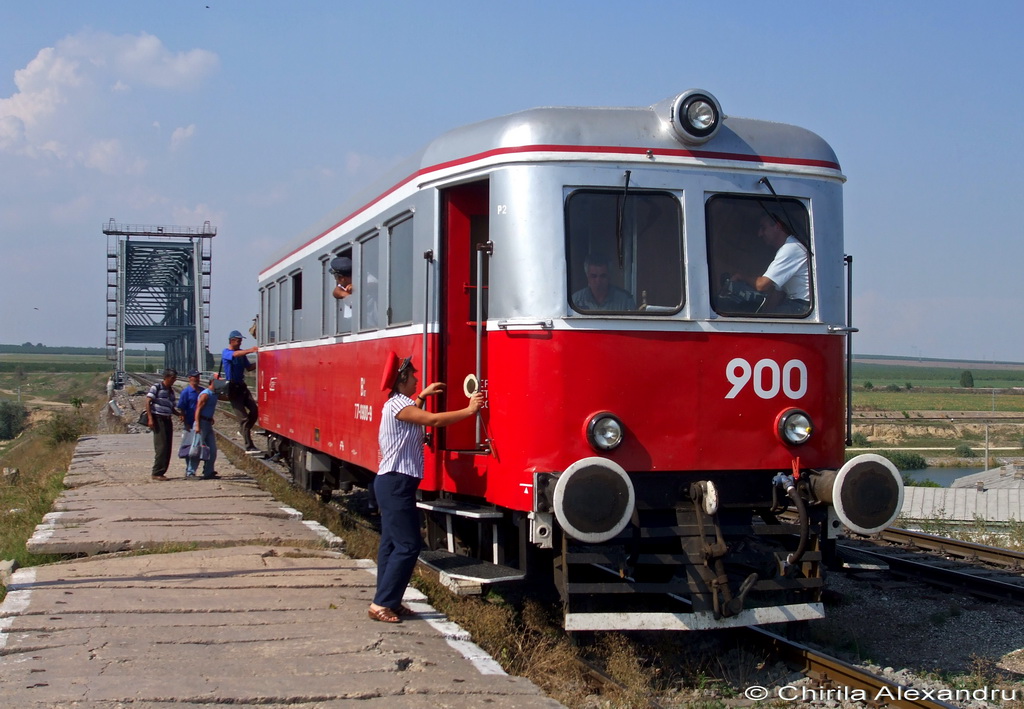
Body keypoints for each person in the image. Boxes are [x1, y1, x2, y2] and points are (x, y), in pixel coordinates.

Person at [368, 353, 484, 624]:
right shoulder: (399, 406)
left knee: (391, 545)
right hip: (396, 482)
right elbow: (432, 420)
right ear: (402, 381)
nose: (416, 380)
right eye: (413, 377)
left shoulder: (398, 404)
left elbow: (415, 414)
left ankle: (389, 601)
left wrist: (422, 395)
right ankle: (381, 604)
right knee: (408, 545)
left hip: (394, 482)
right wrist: (469, 411)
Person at [731, 214, 810, 314]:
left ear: (778, 226)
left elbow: (761, 285)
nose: (760, 234)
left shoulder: (791, 248)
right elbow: (777, 293)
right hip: (794, 303)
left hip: (801, 305)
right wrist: (764, 314)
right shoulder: (787, 248)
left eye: (763, 228)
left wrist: (741, 277)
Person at [222, 330, 260, 453]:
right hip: (233, 389)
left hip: (242, 387)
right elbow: (235, 355)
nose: (240, 343)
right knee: (243, 418)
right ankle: (249, 446)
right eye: (238, 341)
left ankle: (243, 430)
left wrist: (261, 361)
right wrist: (250, 350)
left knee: (254, 410)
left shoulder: (241, 354)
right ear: (232, 340)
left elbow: (248, 368)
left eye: (241, 341)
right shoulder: (226, 352)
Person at [571, 253, 636, 311]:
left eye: (603, 276)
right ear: (587, 276)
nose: (598, 281)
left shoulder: (625, 301)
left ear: (609, 276)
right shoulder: (575, 300)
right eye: (594, 276)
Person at [145, 368, 178, 480]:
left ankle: (162, 471)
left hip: (167, 419)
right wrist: (150, 418)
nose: (174, 380)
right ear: (167, 377)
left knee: (168, 446)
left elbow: (171, 407)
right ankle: (156, 472)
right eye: (173, 378)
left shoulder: (171, 391)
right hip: (158, 418)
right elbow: (148, 401)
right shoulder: (157, 387)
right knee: (161, 446)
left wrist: (179, 414)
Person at [192, 375, 220, 479]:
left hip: (208, 423)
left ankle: (208, 471)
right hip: (202, 423)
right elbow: (198, 409)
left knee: (212, 449)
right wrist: (197, 425)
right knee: (197, 448)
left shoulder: (214, 394)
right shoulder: (205, 394)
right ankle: (190, 472)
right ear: (212, 381)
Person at [177, 370, 204, 478]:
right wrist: (186, 423)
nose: (197, 379)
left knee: (198, 448)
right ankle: (190, 471)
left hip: (201, 423)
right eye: (195, 376)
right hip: (190, 423)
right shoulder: (186, 392)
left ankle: (192, 470)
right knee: (190, 448)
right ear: (189, 378)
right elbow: (182, 409)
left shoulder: (202, 391)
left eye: (198, 377)